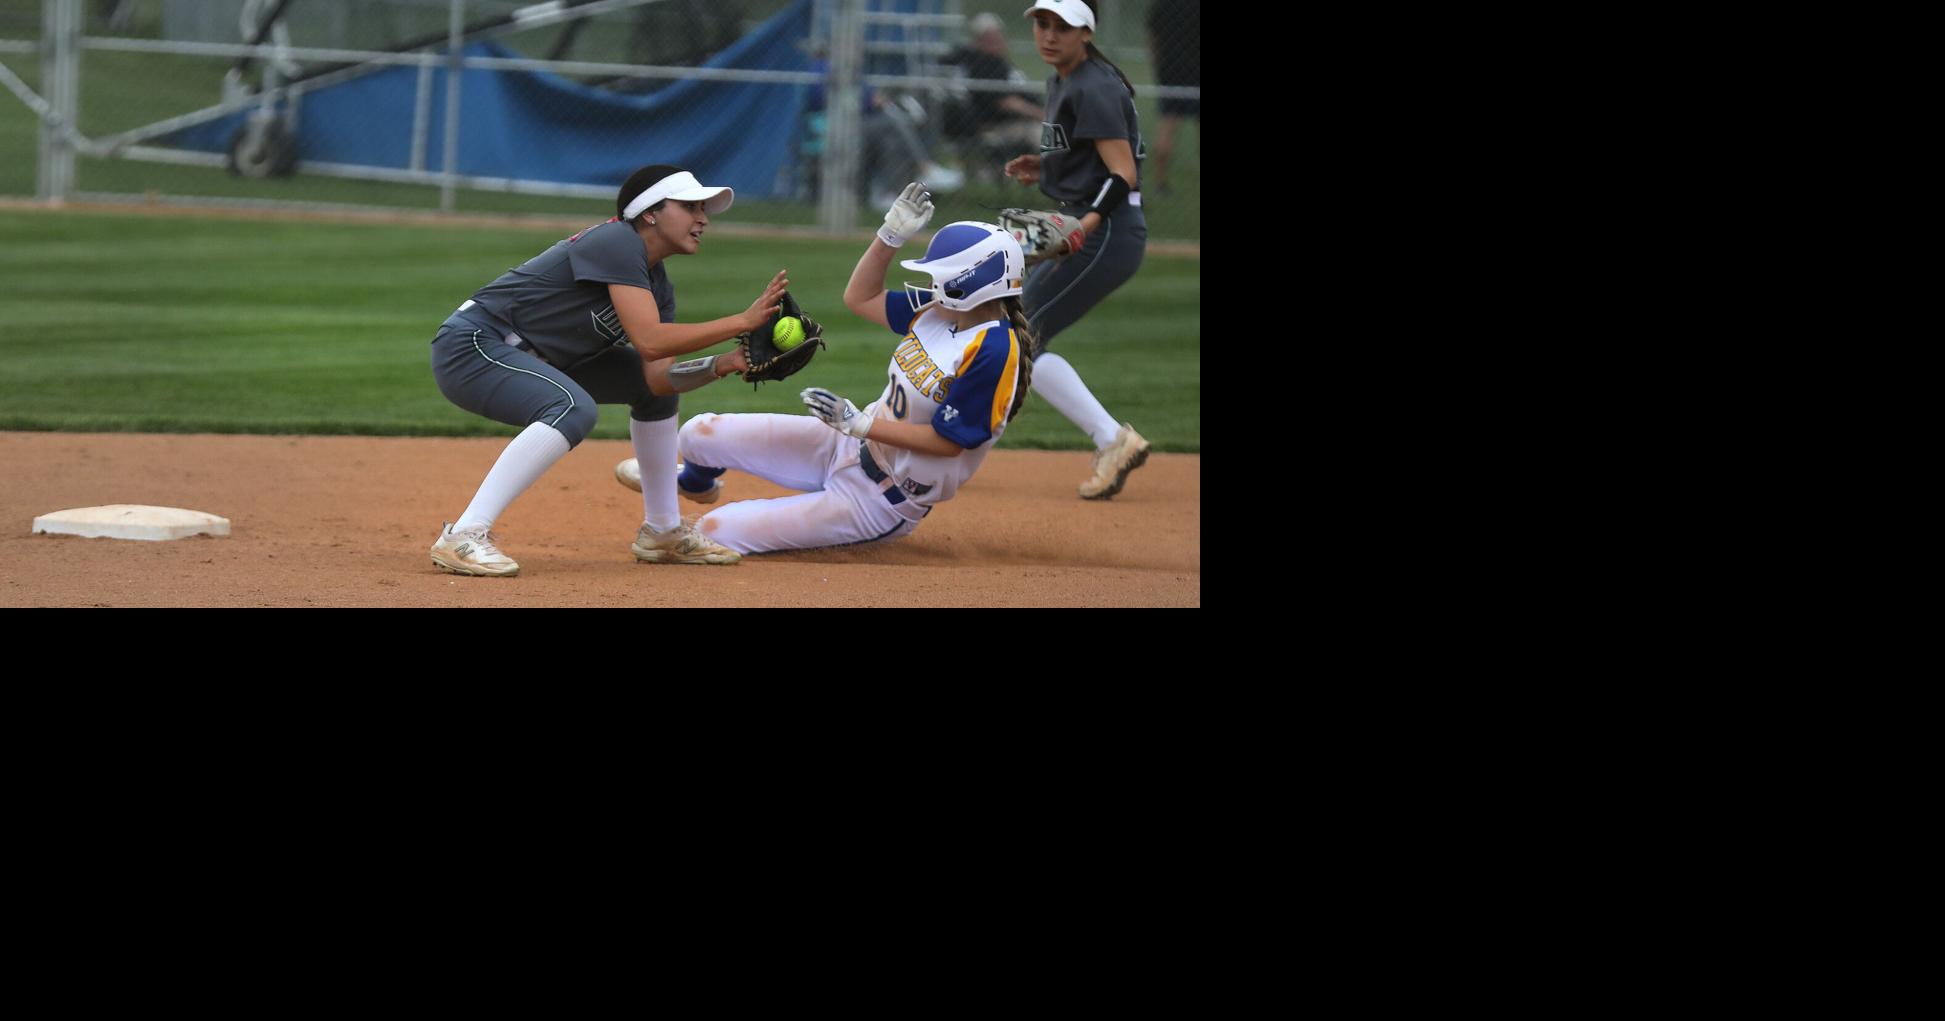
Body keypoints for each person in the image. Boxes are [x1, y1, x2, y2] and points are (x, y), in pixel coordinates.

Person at [613, 185, 1035, 554]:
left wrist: (860, 423)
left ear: (971, 282)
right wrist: (889, 236)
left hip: (882, 499)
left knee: (716, 530)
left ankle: (715, 519)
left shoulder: (995, 351)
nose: (930, 282)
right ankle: (695, 484)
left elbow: (948, 444)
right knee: (698, 433)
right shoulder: (938, 312)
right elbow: (861, 298)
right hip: (847, 447)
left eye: (941, 275)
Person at [427, 164, 788, 577]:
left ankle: (663, 531)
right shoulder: (617, 239)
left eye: (702, 209)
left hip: (540, 357)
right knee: (571, 407)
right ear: (651, 212)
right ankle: (464, 534)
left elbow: (658, 377)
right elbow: (651, 339)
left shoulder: (657, 282)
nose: (703, 218)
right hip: (474, 347)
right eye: (690, 207)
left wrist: (726, 363)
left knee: (652, 393)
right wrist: (742, 322)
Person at [1004, 0, 1152, 500]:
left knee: (1021, 337)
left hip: (1106, 233)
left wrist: (1083, 226)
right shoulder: (1065, 78)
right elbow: (1087, 159)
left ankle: (1113, 439)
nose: (1048, 35)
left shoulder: (1094, 86)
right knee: (1016, 331)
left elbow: (1122, 174)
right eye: (1042, 24)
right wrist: (1044, 169)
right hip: (1087, 226)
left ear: (1085, 32)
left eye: (1061, 26)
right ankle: (1110, 438)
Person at [939, 13, 1044, 175]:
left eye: (998, 35)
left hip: (1021, 122)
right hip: (1001, 126)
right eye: (990, 37)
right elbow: (1006, 101)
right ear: (979, 40)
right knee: (1046, 133)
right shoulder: (983, 63)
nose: (998, 40)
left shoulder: (999, 62)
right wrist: (1043, 114)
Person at [1144, 0, 1199, 194]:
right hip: (1196, 70)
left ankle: (1160, 181)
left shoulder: (1162, 4)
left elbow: (1152, 38)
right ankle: (1160, 181)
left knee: (1168, 123)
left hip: (1169, 70)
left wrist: (1159, 63)